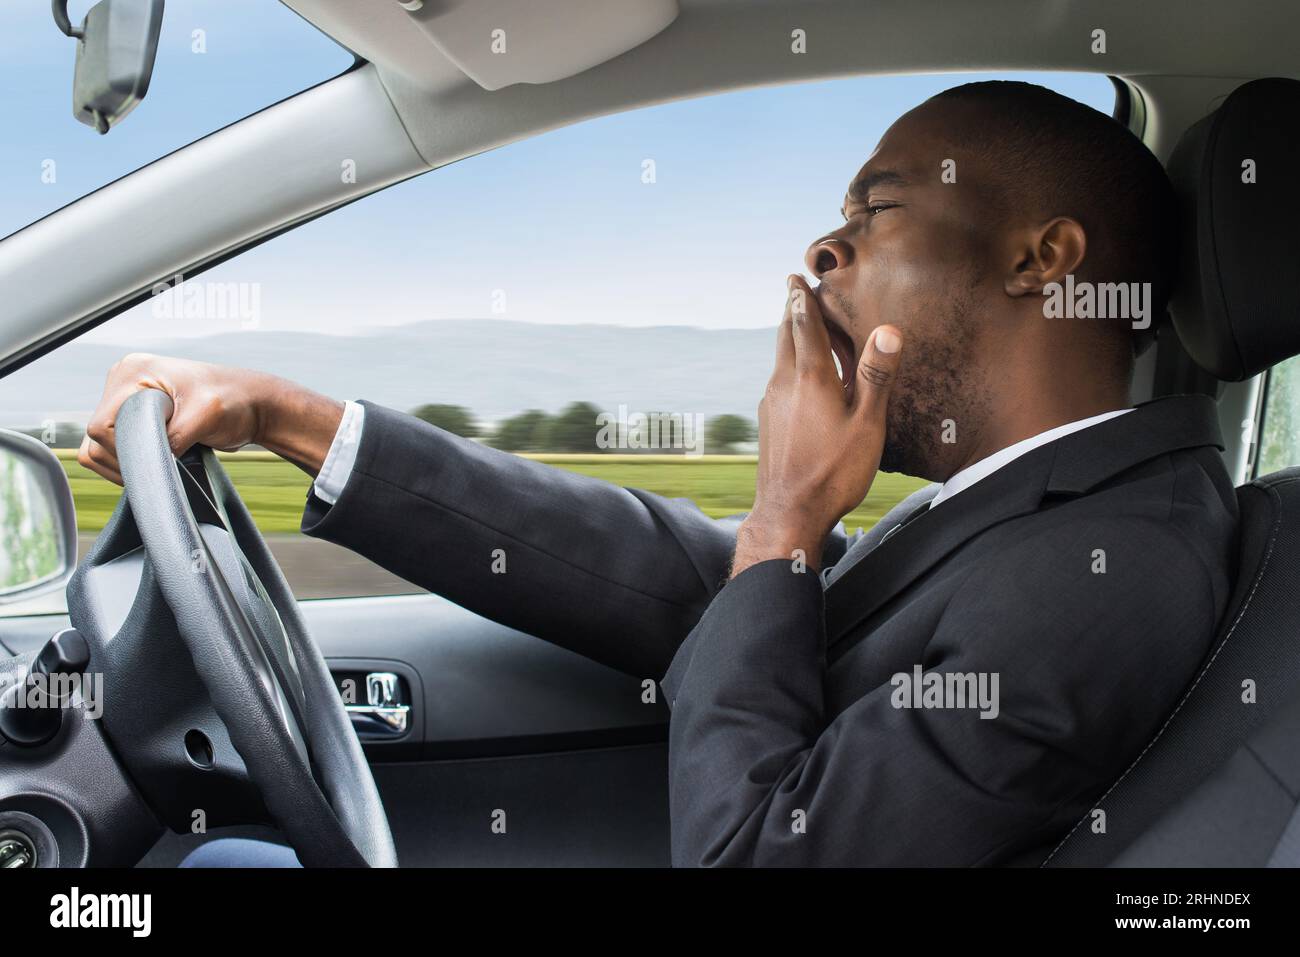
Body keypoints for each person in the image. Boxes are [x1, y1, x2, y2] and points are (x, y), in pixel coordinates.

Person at [80, 81, 1237, 867]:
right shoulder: (1018, 504)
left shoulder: (1108, 566)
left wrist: (784, 520)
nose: (822, 251)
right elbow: (715, 594)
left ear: (1046, 260)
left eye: (876, 213)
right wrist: (292, 417)